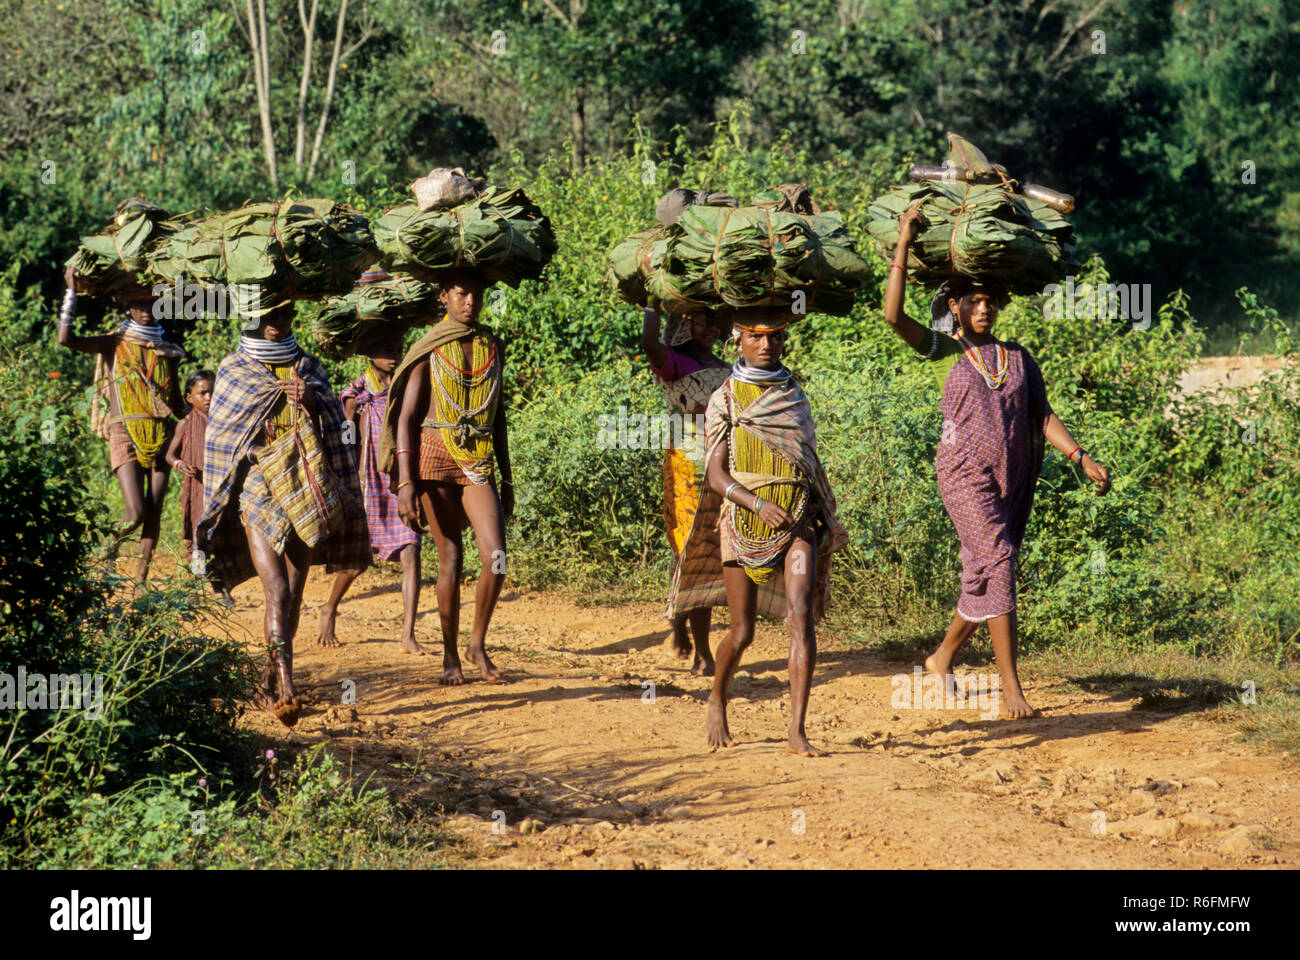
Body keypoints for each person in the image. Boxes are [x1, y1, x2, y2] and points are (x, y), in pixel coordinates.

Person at [883, 202, 1112, 719]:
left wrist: (1081, 456)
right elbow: (893, 316)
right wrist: (903, 241)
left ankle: (940, 659)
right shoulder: (944, 348)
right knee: (1001, 562)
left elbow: (1041, 416)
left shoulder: (1019, 357)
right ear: (955, 308)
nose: (983, 310)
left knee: (984, 573)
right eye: (973, 302)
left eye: (989, 302)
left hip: (1010, 479)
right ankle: (1012, 687)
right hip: (963, 476)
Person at [195, 302, 370, 726]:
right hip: (259, 489)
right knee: (277, 588)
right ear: (252, 315)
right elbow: (226, 438)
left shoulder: (308, 367)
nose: (279, 323)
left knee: (293, 588)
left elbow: (334, 426)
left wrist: (309, 401)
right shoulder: (235, 370)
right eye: (270, 314)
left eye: (287, 313)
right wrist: (263, 453)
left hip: (305, 491)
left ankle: (270, 676)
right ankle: (288, 682)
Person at [699, 312, 846, 757]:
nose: (766, 345)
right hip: (744, 521)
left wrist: (811, 510)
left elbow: (806, 458)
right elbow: (715, 475)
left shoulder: (793, 394)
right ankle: (717, 697)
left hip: (798, 518)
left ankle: (797, 731)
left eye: (775, 337)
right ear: (738, 340)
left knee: (799, 617)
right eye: (756, 337)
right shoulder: (726, 398)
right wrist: (757, 502)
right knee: (742, 632)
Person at [379, 270, 514, 685]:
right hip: (433, 456)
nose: (470, 301)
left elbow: (498, 415)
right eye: (461, 293)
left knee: (496, 556)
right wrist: (405, 484)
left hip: (478, 459)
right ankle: (450, 657)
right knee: (450, 558)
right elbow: (404, 418)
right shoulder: (430, 347)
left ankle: (477, 643)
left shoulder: (492, 345)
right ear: (444, 296)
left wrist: (507, 479)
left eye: (476, 293)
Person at [58, 265, 183, 580]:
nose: (145, 310)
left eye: (152, 303)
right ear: (127, 306)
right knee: (135, 513)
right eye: (139, 304)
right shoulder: (113, 343)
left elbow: (178, 403)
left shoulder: (168, 351)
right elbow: (66, 339)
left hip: (162, 436)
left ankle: (141, 579)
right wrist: (71, 293)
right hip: (124, 433)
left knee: (153, 512)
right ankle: (105, 554)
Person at [316, 331, 424, 654]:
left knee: (411, 552)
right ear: (368, 354)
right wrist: (346, 478)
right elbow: (344, 435)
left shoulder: (406, 385)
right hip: (368, 483)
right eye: (385, 348)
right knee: (359, 560)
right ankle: (329, 609)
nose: (393, 354)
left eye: (396, 347)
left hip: (400, 478)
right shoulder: (356, 394)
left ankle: (407, 635)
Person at [641, 303, 731, 675]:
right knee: (692, 549)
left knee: (715, 549)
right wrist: (652, 305)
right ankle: (701, 651)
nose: (711, 328)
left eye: (715, 321)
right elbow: (649, 343)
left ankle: (682, 621)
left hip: (724, 466)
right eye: (701, 320)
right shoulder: (674, 361)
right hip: (686, 468)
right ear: (682, 323)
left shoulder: (729, 369)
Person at [163, 368, 232, 603]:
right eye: (202, 393)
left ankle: (220, 587)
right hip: (196, 490)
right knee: (198, 539)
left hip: (220, 489)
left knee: (220, 537)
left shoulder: (225, 421)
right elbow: (169, 455)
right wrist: (181, 465)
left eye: (213, 392)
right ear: (189, 397)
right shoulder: (185, 424)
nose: (209, 398)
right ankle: (194, 589)